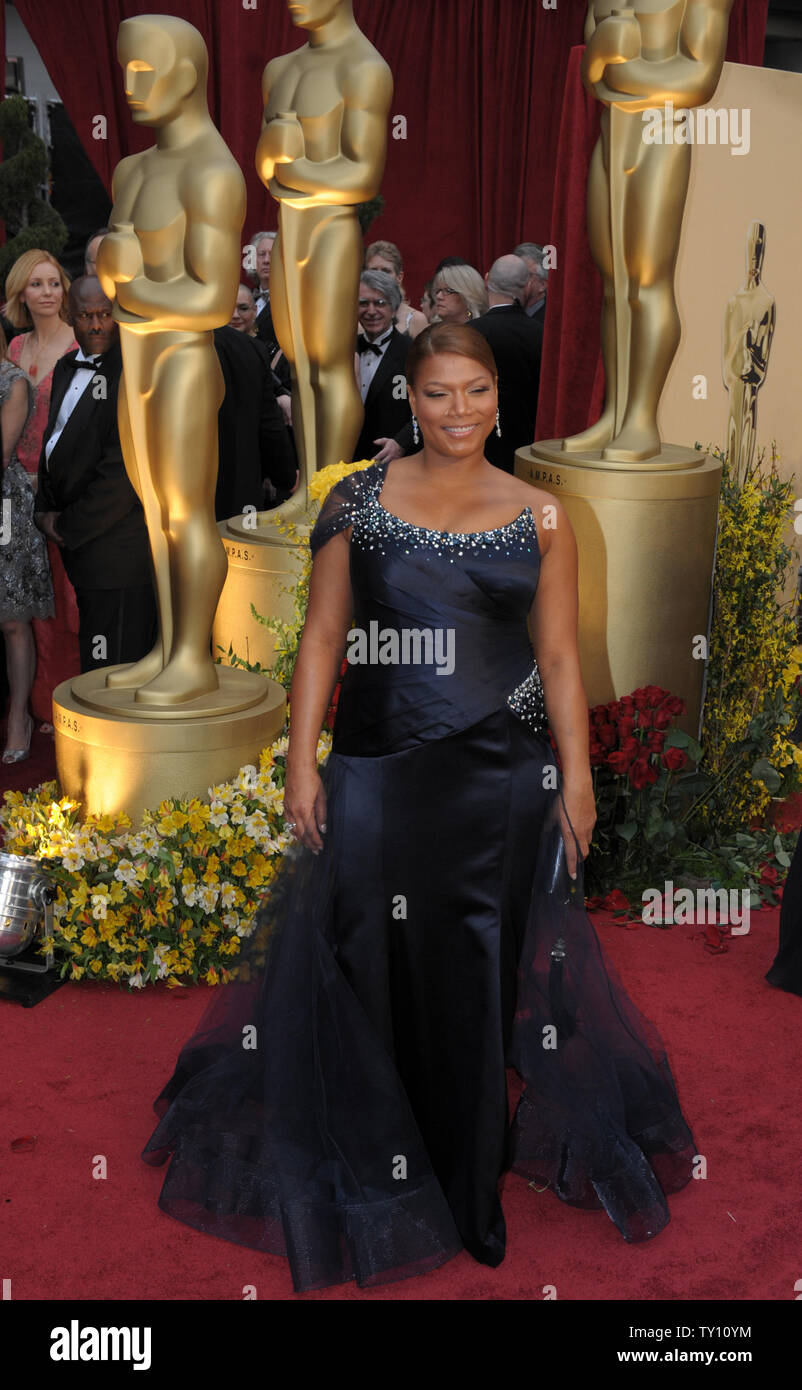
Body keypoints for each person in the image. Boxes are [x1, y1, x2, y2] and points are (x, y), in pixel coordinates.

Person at [142, 324, 697, 1294]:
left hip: (499, 787)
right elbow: (320, 637)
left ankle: (461, 1179)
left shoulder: (545, 515)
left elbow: (560, 658)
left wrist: (578, 777)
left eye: (475, 391)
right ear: (411, 397)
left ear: (496, 395)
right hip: (378, 773)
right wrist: (299, 765)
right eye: (438, 394)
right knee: (368, 968)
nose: (458, 412)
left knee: (478, 980)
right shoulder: (358, 501)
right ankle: (369, 1156)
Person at [34, 277, 156, 675]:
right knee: (93, 659)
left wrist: (66, 525)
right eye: (86, 316)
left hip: (119, 553)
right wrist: (44, 508)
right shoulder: (67, 367)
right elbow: (53, 442)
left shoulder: (133, 375)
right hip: (84, 553)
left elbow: (121, 476)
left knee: (114, 670)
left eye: (105, 314)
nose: (97, 325)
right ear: (70, 317)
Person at [4, 249, 80, 727]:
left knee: (63, 602)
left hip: (62, 493)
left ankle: (65, 704)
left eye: (54, 283)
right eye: (37, 284)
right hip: (13, 494)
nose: (47, 293)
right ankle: (32, 706)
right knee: (23, 605)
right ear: (21, 293)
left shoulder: (82, 345)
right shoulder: (13, 349)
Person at [0, 327, 53, 762]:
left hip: (5, 508)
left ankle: (19, 716)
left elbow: (2, 453)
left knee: (12, 618)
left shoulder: (12, 380)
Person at [213, 324, 297, 518]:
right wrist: (286, 477)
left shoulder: (149, 337)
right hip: (238, 492)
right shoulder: (248, 346)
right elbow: (270, 426)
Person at [470, 255, 544, 473]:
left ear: (487, 279)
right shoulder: (542, 335)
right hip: (527, 453)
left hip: (474, 448)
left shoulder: (468, 334)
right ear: (529, 285)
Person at [354, 269, 412, 461]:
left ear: (394, 308)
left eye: (380, 303)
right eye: (363, 303)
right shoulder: (343, 350)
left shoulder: (412, 353)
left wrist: (401, 443)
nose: (371, 311)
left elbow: (428, 412)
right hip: (344, 464)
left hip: (393, 466)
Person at [364, 240, 428, 338]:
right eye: (374, 270)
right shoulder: (355, 317)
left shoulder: (416, 320)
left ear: (399, 277)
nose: (379, 276)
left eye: (386, 271)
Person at [513, 242, 549, 326]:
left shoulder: (550, 322)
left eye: (524, 274)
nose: (515, 279)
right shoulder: (505, 313)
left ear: (542, 285)